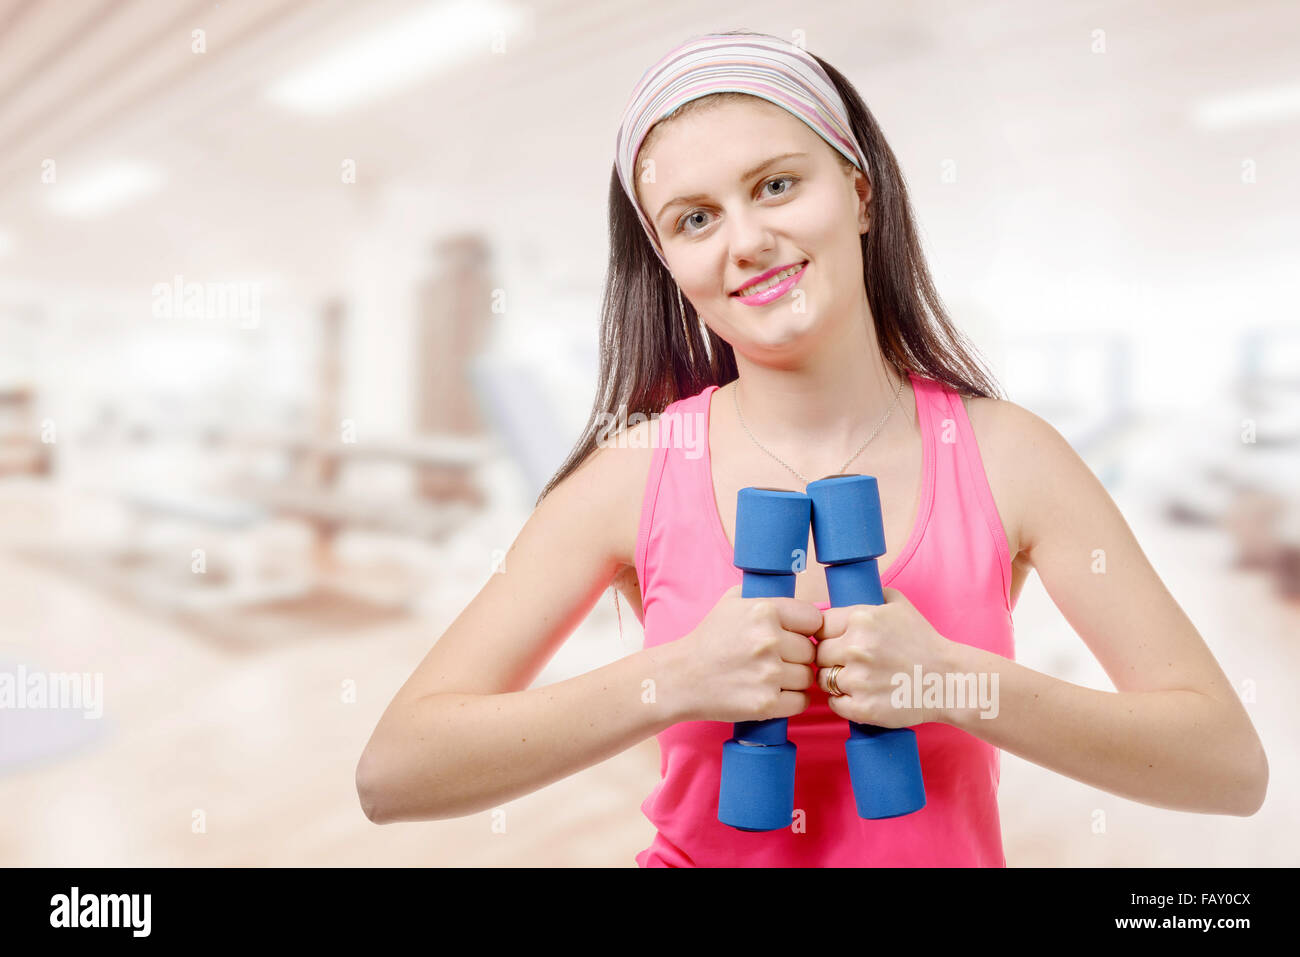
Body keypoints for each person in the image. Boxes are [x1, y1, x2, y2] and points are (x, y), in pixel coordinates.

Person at [355, 30, 1268, 866]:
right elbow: (393, 772)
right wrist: (672, 679)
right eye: (695, 218)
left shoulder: (1009, 456)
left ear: (860, 195)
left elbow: (1226, 766)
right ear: (668, 259)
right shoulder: (634, 473)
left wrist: (955, 680)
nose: (747, 241)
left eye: (777, 185)